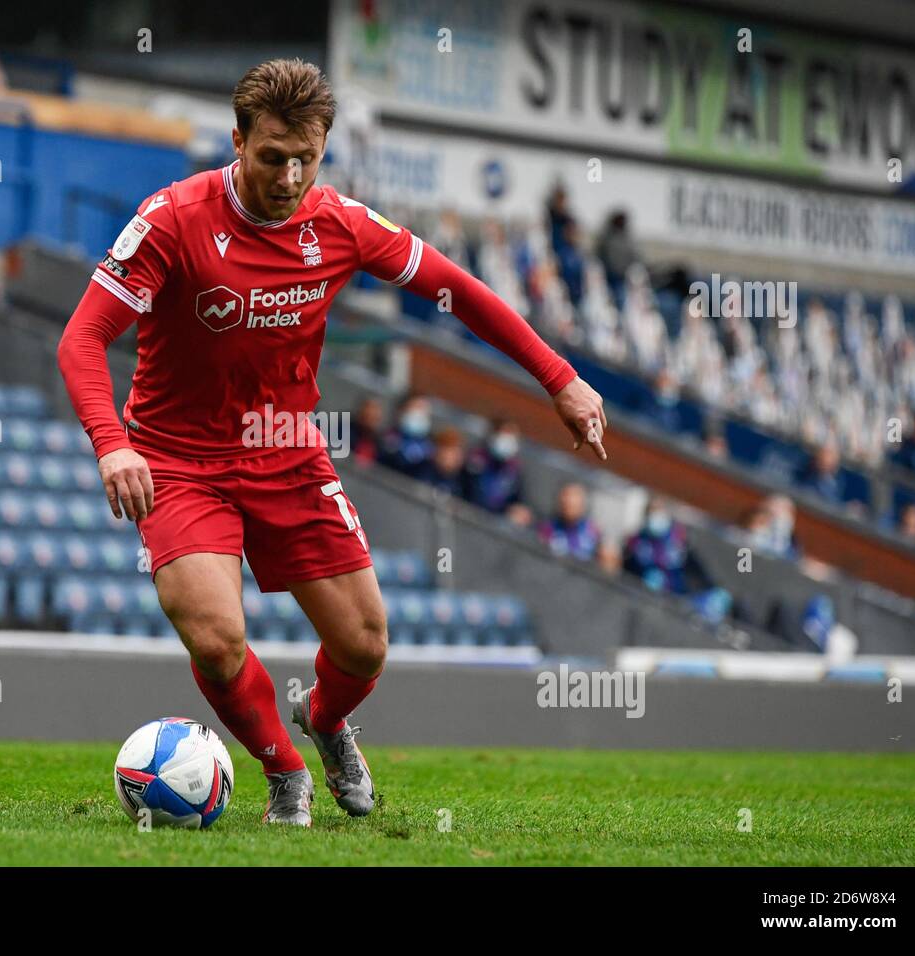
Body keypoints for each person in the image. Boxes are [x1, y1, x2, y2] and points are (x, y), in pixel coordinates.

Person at [57, 58, 606, 827]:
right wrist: (112, 443)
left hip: (286, 450)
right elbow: (82, 340)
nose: (288, 176)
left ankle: (325, 719)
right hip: (178, 459)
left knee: (365, 647)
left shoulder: (341, 224)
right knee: (216, 640)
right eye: (272, 156)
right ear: (239, 141)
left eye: (305, 159)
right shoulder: (173, 219)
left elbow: (462, 293)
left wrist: (560, 379)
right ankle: (283, 772)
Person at [464, 418, 523, 514]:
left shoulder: (514, 471)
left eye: (512, 436)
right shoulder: (475, 459)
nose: (508, 441)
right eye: (505, 434)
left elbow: (516, 500)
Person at [537, 483, 603, 563]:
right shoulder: (547, 529)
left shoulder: (593, 531)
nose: (569, 501)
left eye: (575, 496)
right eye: (566, 495)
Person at [376, 393, 435, 479]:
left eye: (422, 410)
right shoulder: (387, 437)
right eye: (415, 408)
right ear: (402, 410)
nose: (418, 414)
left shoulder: (430, 449)